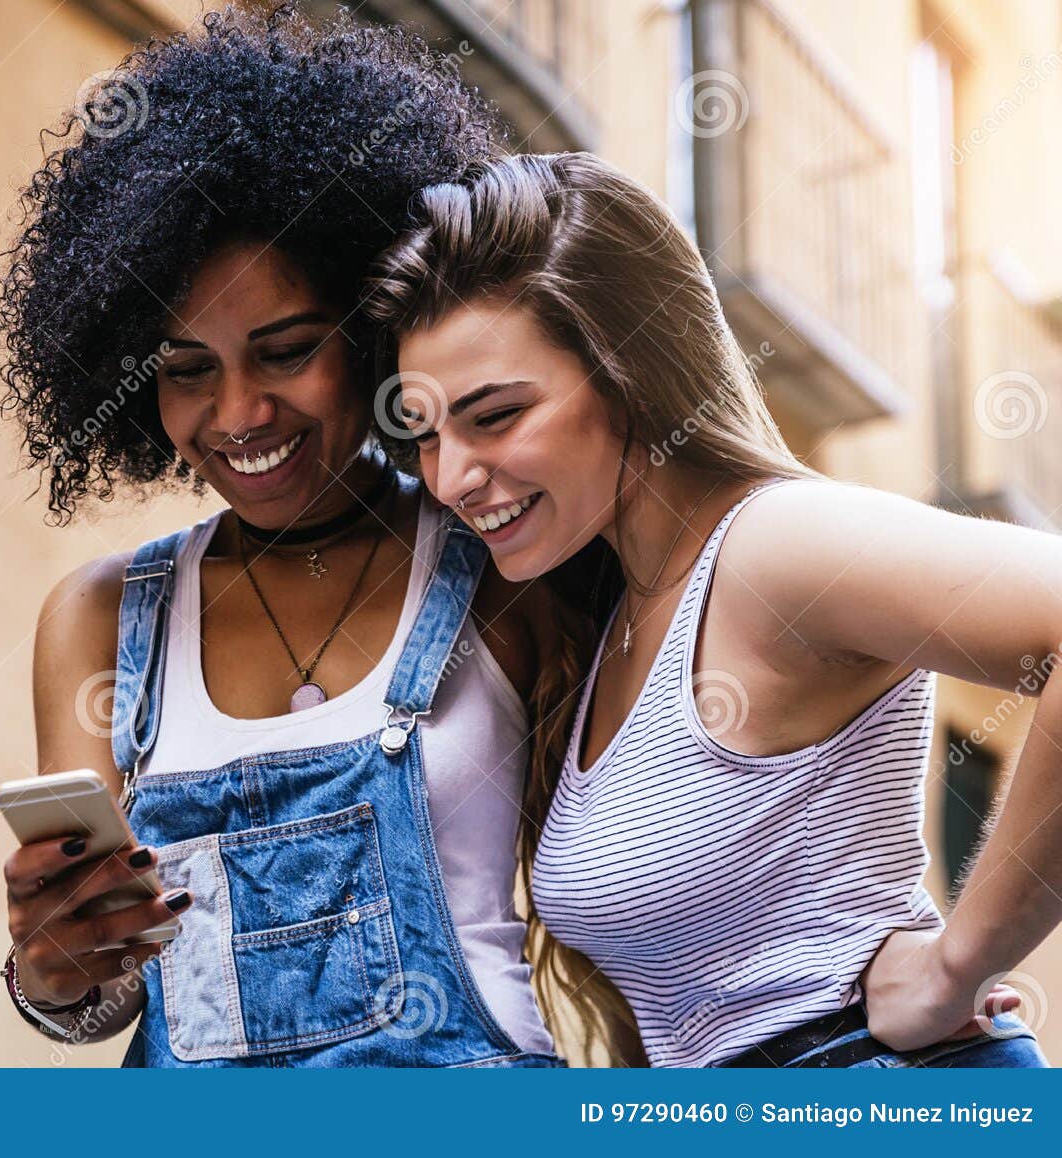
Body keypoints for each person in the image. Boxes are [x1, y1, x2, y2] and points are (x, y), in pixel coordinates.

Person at [0, 9, 627, 1066]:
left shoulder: (507, 564)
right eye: (187, 368)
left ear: (375, 333)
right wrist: (55, 975)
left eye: (285, 352)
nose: (238, 414)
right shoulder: (97, 620)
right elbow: (103, 1002)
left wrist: (907, 987)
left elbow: (677, 840)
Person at [363, 150, 1053, 1067]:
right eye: (427, 434)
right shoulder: (613, 620)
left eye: (495, 416)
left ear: (630, 372)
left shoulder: (775, 546)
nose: (451, 477)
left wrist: (955, 967)